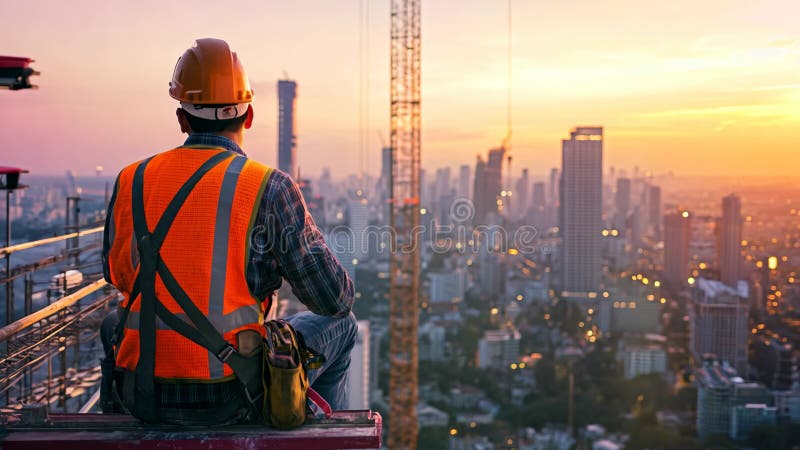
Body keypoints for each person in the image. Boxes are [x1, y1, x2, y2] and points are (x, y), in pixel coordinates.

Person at [100, 38, 356, 425]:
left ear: (182, 119)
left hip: (141, 391)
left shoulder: (132, 180)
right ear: (248, 116)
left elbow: (119, 277)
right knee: (344, 325)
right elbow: (334, 299)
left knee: (111, 323)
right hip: (232, 392)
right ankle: (312, 425)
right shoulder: (268, 186)